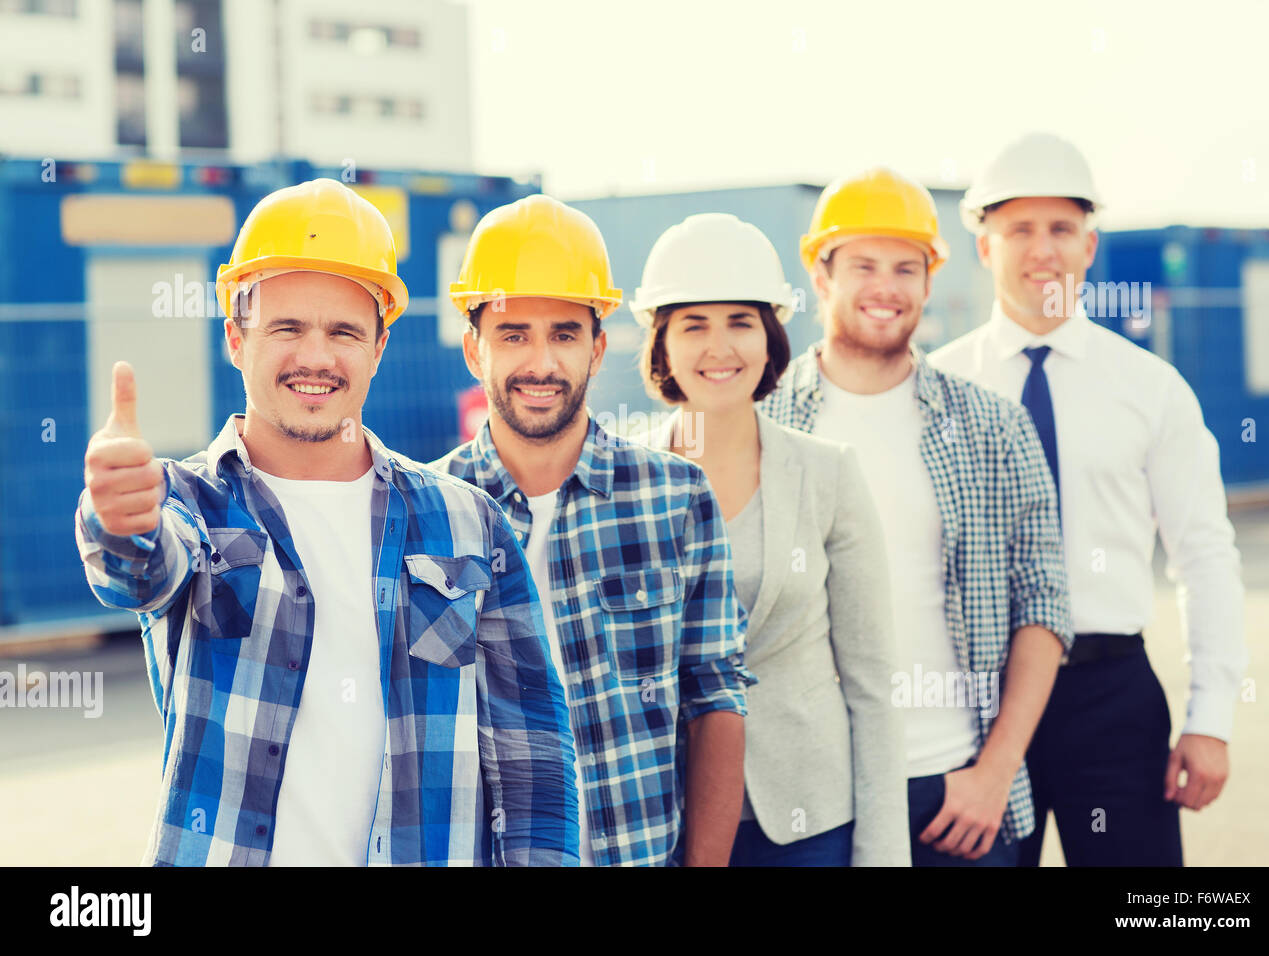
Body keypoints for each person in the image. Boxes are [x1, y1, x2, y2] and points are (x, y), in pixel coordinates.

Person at [75, 178, 577, 866]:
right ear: (235, 337)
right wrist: (118, 516)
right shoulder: (187, 502)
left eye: (343, 331)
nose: (315, 356)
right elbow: (137, 566)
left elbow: (534, 766)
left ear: (378, 347)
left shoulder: (469, 525)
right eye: (286, 328)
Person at [930, 132, 1248, 866]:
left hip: (1109, 700)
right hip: (970, 701)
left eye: (1062, 229)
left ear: (1091, 245)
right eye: (1020, 229)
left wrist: (1212, 718)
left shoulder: (1150, 389)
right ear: (984, 247)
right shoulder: (936, 389)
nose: (1043, 249)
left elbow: (1204, 555)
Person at [758, 168, 1073, 866]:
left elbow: (1045, 604)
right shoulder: (763, 424)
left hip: (955, 794)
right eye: (863, 265)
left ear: (930, 282)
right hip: (812, 800)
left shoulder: (993, 426)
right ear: (820, 275)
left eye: (907, 267)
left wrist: (995, 772)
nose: (886, 287)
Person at [432, 195, 755, 867]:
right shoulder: (427, 514)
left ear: (599, 347)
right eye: (513, 333)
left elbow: (715, 694)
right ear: (473, 348)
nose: (541, 364)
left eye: (565, 334)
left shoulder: (676, 497)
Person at [631, 213, 910, 866]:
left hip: (807, 824)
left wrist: (883, 854)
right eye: (693, 324)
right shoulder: (621, 478)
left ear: (771, 337)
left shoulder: (828, 473)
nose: (719, 347)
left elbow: (873, 684)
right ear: (663, 345)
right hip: (663, 821)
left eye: (740, 321)